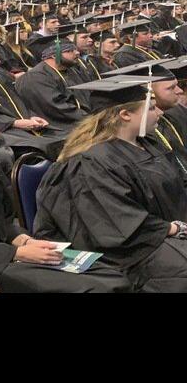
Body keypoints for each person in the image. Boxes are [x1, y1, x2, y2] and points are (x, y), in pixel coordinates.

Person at [0, 90, 130, 292]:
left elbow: (6, 221)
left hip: (9, 253)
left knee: (111, 275)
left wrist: (26, 241)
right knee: (95, 287)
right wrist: (16, 252)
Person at [36, 76, 187, 292]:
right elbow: (114, 225)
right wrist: (172, 228)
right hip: (128, 254)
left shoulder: (147, 142)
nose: (160, 113)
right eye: (152, 108)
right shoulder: (89, 163)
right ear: (125, 115)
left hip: (162, 235)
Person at [15, 36, 91, 131]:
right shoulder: (36, 77)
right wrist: (91, 119)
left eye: (75, 49)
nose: (77, 53)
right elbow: (57, 107)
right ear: (54, 55)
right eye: (69, 51)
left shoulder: (71, 70)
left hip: (79, 118)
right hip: (59, 126)